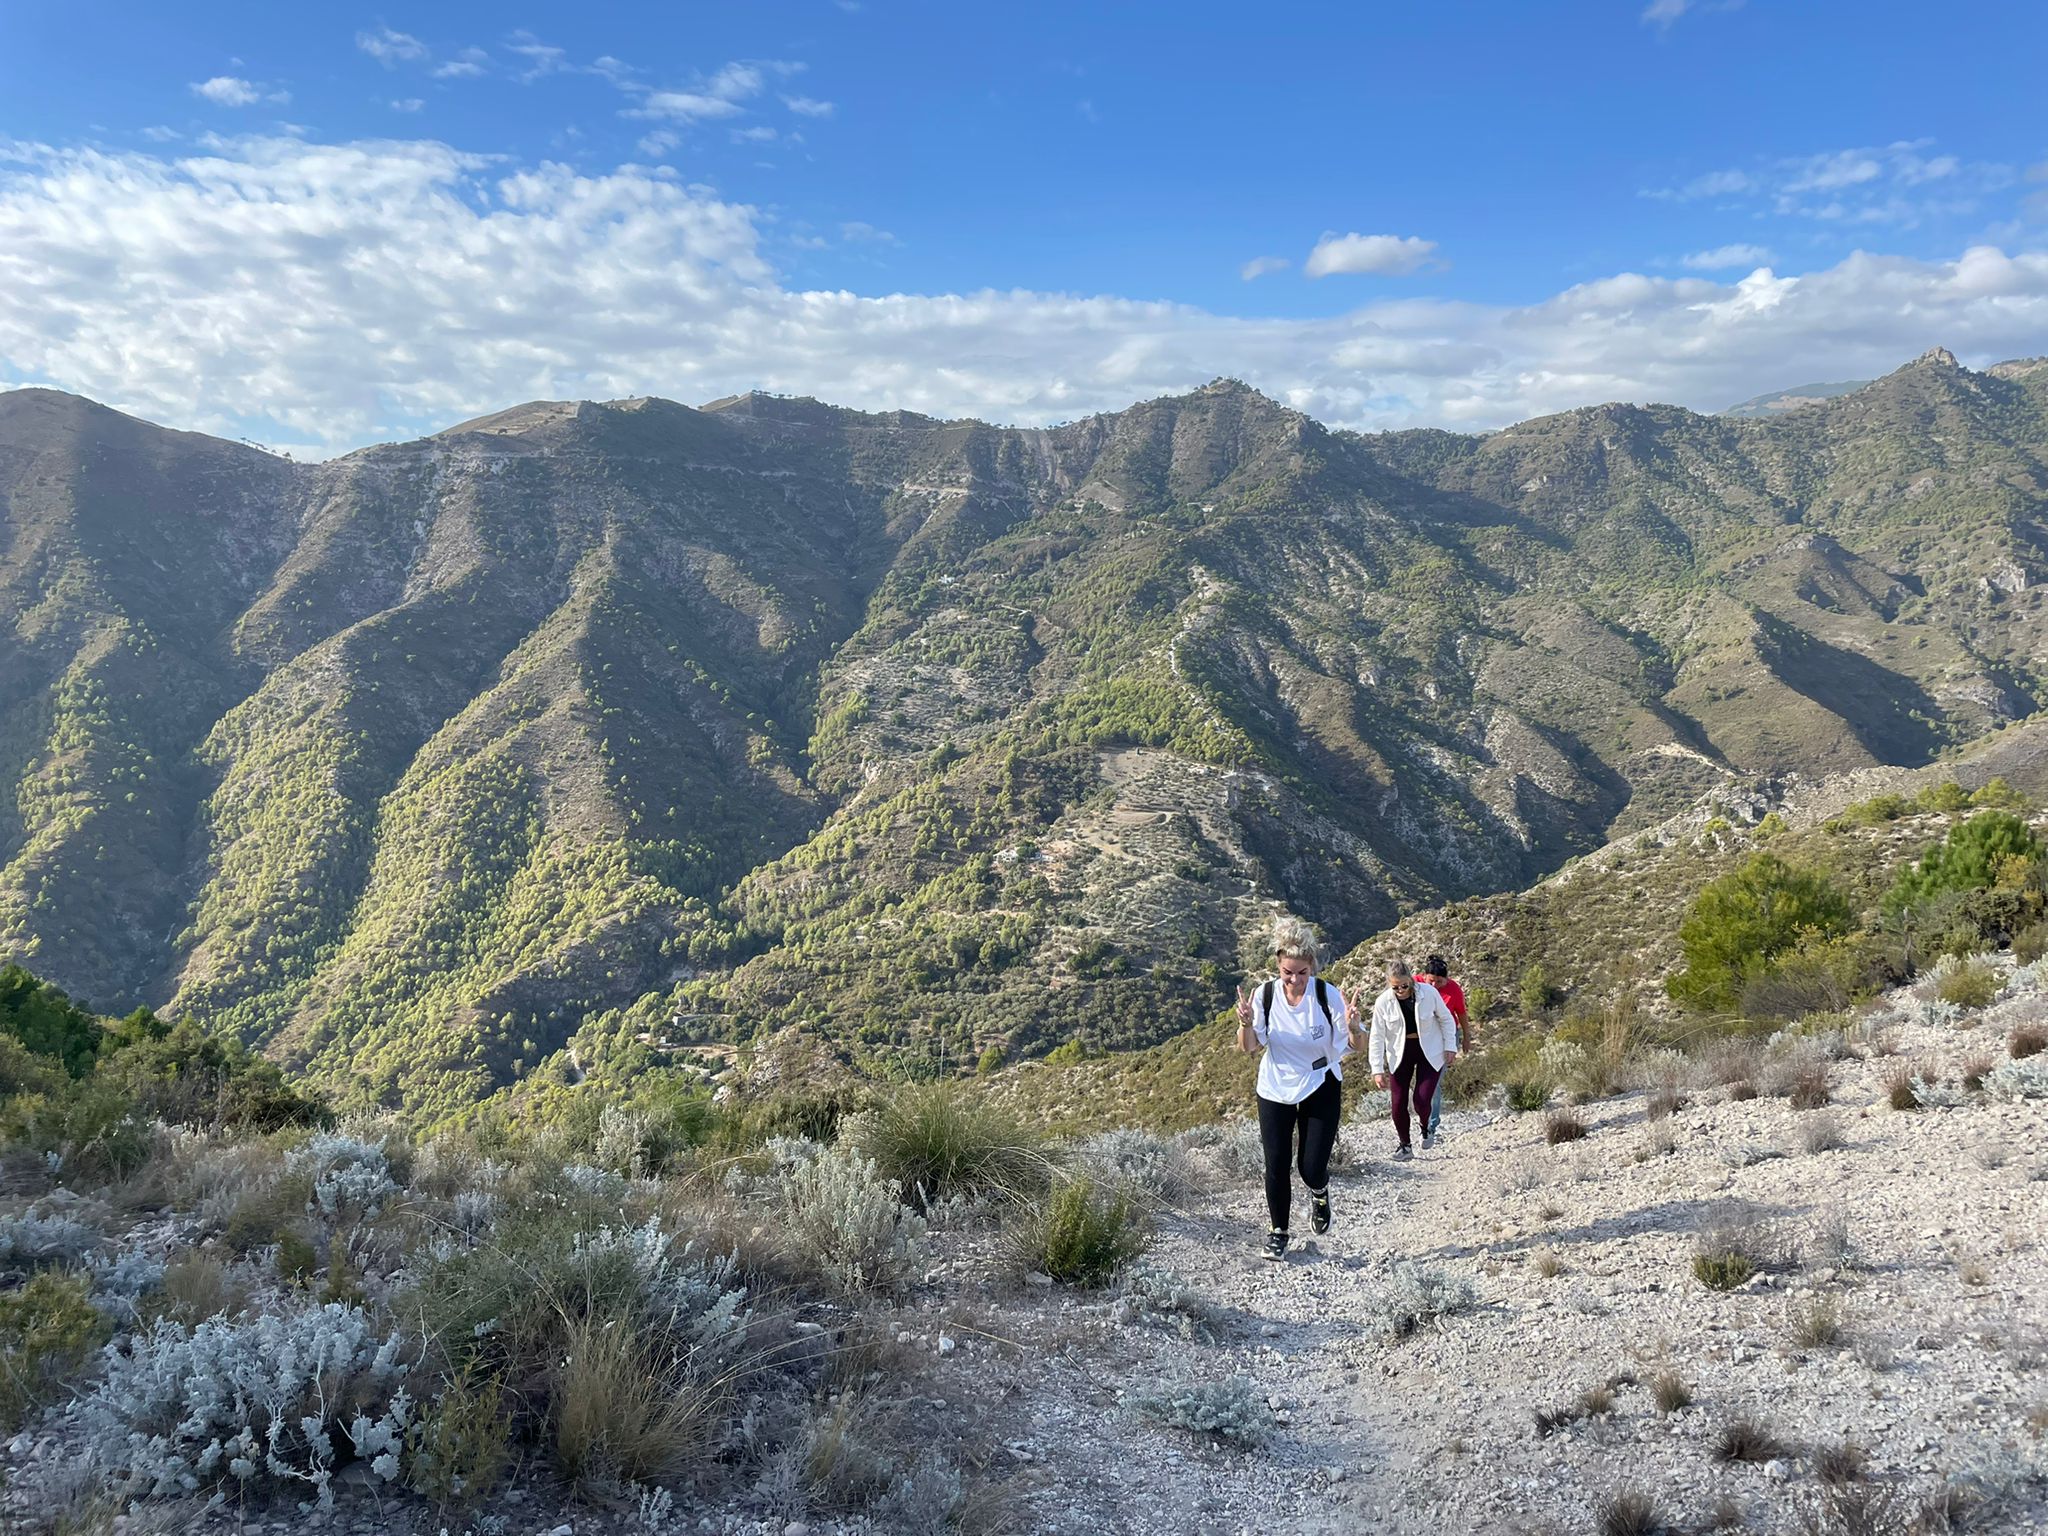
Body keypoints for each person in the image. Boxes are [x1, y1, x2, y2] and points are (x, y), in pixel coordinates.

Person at [1235, 917, 1354, 1262]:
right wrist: (1244, 1023)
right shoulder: (1265, 995)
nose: (1295, 979)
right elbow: (1249, 1047)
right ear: (1278, 964)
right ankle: (1278, 1232)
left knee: (1311, 1166)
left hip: (1320, 1083)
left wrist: (1357, 1026)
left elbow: (1353, 1044)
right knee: (1276, 1162)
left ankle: (1319, 1192)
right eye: (1288, 972)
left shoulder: (1325, 994)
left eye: (1302, 972)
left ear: (1312, 967)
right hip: (1275, 1085)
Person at [1367, 959, 1458, 1157]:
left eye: (1404, 985)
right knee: (1398, 1103)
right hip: (1400, 1053)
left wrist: (1450, 1046)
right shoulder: (1383, 1002)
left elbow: (1446, 1019)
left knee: (1421, 1099)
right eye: (1395, 987)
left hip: (1429, 1050)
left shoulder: (1429, 993)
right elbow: (1376, 1036)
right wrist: (1377, 1069)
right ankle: (1405, 1145)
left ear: (1411, 979)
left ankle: (1425, 1127)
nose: (1400, 990)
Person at [1419, 955, 1467, 1140]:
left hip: (1446, 1036)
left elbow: (1461, 1014)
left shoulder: (1454, 989)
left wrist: (1466, 1039)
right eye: (1431, 981)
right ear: (1424, 976)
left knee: (1434, 1080)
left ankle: (1431, 1124)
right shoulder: (1414, 984)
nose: (1435, 985)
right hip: (1423, 1037)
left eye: (1440, 981)